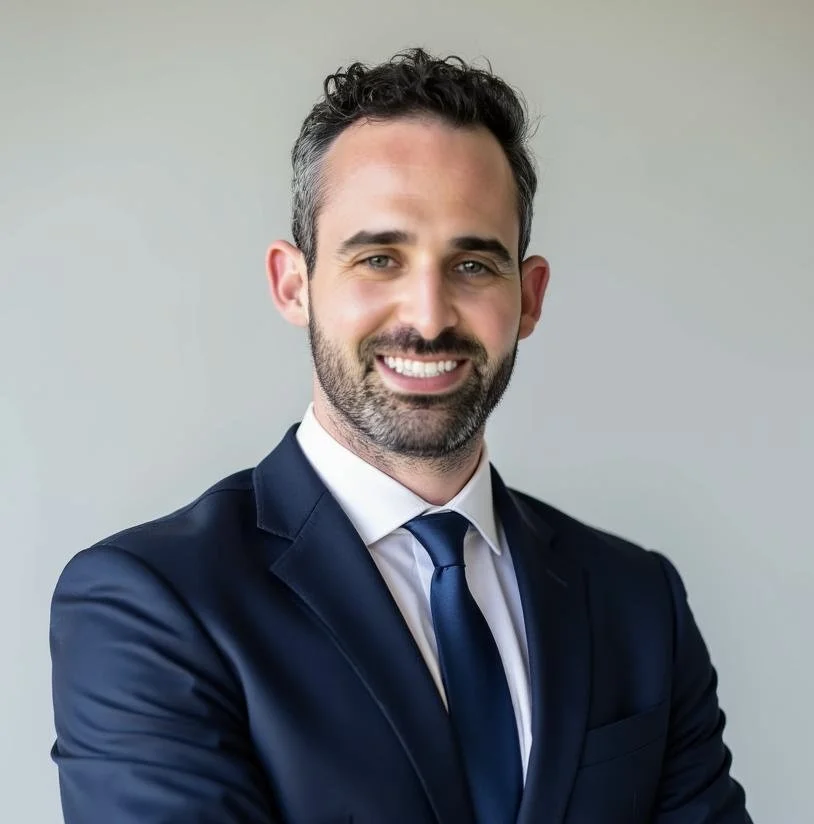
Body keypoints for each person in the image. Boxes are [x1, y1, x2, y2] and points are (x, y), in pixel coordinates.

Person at [50, 48, 752, 824]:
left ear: (528, 297)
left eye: (473, 265)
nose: (428, 316)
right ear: (293, 284)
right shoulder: (152, 602)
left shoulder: (637, 600)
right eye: (380, 258)